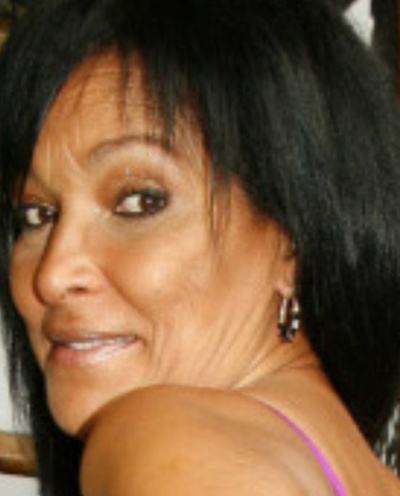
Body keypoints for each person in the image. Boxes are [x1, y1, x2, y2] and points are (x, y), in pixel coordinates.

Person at [0, 0, 400, 494]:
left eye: (140, 202)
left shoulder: (170, 443)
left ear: (292, 243)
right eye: (35, 215)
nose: (52, 274)